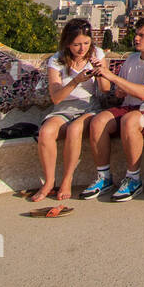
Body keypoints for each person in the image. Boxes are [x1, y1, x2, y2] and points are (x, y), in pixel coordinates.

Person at [82, 16, 144, 202]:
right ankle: (104, 177)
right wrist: (115, 88)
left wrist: (112, 77)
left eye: (142, 35)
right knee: (98, 121)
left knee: (130, 120)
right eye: (136, 34)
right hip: (128, 107)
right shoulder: (132, 59)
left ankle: (133, 179)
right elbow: (119, 92)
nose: (136, 38)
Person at [33, 18, 106, 202]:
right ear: (67, 43)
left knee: (75, 129)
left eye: (86, 43)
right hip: (63, 108)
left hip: (89, 107)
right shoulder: (56, 61)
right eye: (77, 45)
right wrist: (76, 81)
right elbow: (56, 97)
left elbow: (105, 89)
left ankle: (67, 180)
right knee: (46, 132)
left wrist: (101, 71)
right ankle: (49, 182)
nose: (82, 49)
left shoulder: (97, 53)